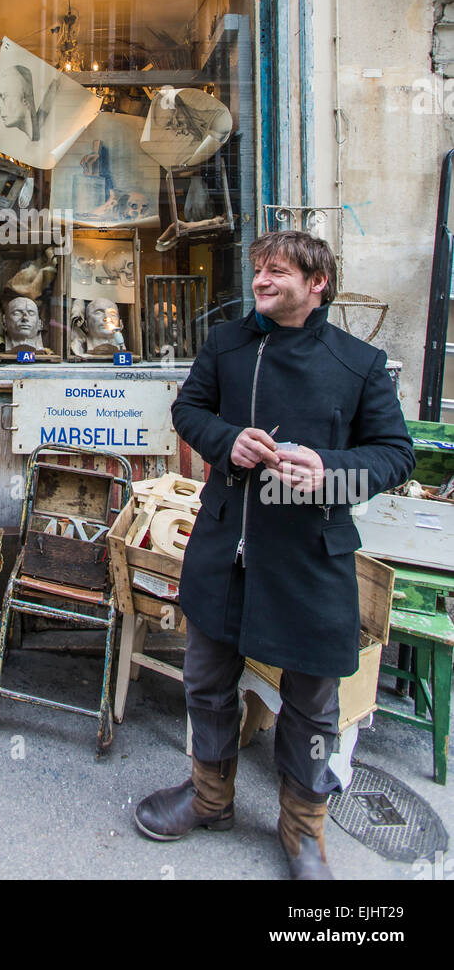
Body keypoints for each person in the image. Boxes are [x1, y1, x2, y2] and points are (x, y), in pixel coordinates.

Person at [134, 230, 415, 880]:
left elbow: (395, 455)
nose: (260, 280)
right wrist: (226, 441)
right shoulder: (227, 344)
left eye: (277, 271)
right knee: (206, 682)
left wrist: (332, 473)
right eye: (258, 270)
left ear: (317, 284)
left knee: (313, 706)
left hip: (312, 563)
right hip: (224, 550)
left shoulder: (359, 363)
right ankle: (209, 798)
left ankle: (302, 831)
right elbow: (188, 411)